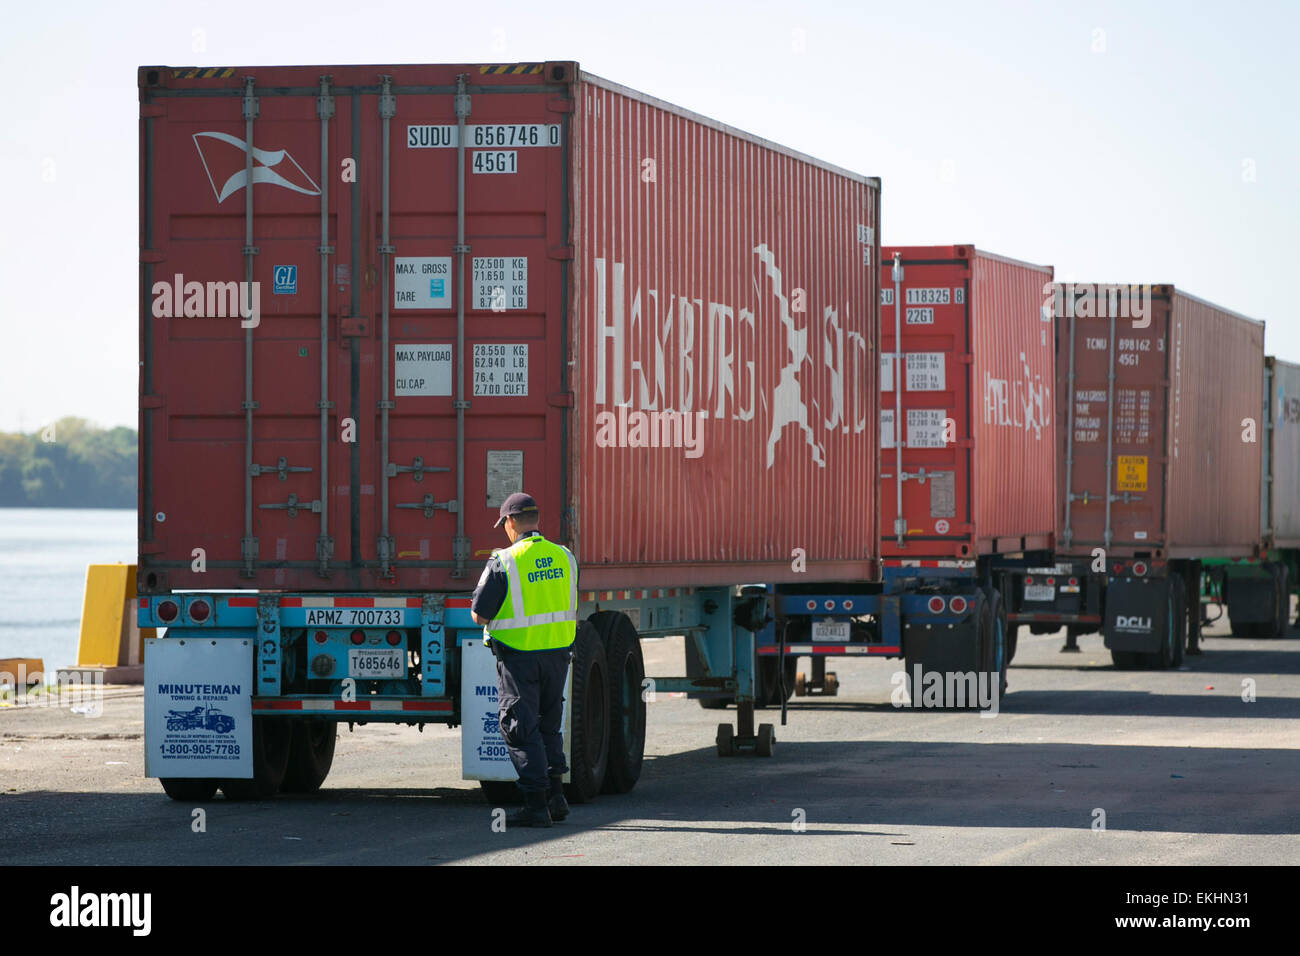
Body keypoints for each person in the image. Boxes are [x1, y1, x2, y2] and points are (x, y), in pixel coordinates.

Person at [471, 492, 578, 827]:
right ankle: (557, 797)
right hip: (558, 653)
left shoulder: (503, 562)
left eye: (504, 523)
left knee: (519, 727)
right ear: (536, 520)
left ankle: (535, 805)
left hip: (520, 657)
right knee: (549, 724)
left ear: (511, 522)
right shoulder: (564, 556)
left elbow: (479, 615)